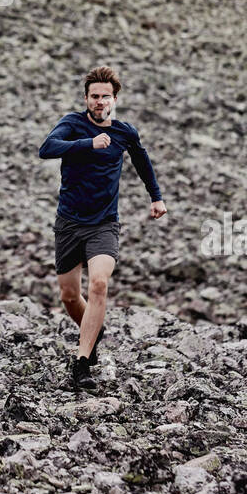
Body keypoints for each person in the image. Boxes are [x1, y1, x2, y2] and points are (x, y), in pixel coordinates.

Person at [39, 65, 166, 390]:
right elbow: (46, 149)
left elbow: (142, 161)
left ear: (114, 99)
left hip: (104, 225)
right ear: (86, 98)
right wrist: (87, 143)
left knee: (98, 285)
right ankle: (93, 329)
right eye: (94, 96)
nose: (99, 102)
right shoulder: (73, 123)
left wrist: (156, 197)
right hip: (69, 223)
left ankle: (82, 362)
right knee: (69, 295)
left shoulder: (125, 132)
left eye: (105, 97)